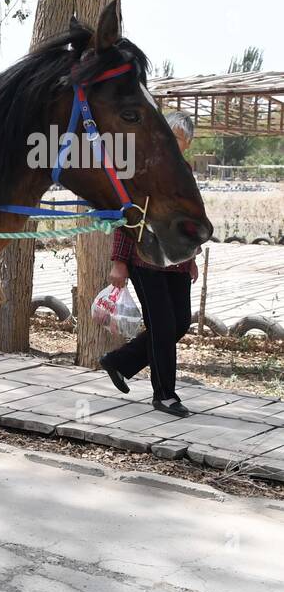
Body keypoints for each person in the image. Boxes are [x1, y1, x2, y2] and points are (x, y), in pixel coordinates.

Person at [100, 109, 201, 418]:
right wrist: (119, 261)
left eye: (180, 139)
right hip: (145, 259)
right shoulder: (142, 170)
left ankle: (120, 362)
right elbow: (125, 217)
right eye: (170, 135)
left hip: (178, 262)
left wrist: (193, 256)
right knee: (162, 325)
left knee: (180, 322)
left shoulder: (184, 171)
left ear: (187, 144)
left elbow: (190, 218)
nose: (174, 142)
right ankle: (165, 395)